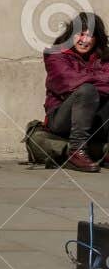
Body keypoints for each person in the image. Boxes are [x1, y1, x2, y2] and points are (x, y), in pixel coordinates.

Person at [43, 13, 109, 173]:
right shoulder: (55, 55)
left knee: (89, 89)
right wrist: (98, 81)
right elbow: (69, 83)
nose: (84, 40)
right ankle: (76, 152)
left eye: (90, 35)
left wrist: (89, 80)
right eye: (81, 33)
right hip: (61, 119)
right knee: (86, 91)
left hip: (94, 117)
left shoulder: (104, 58)